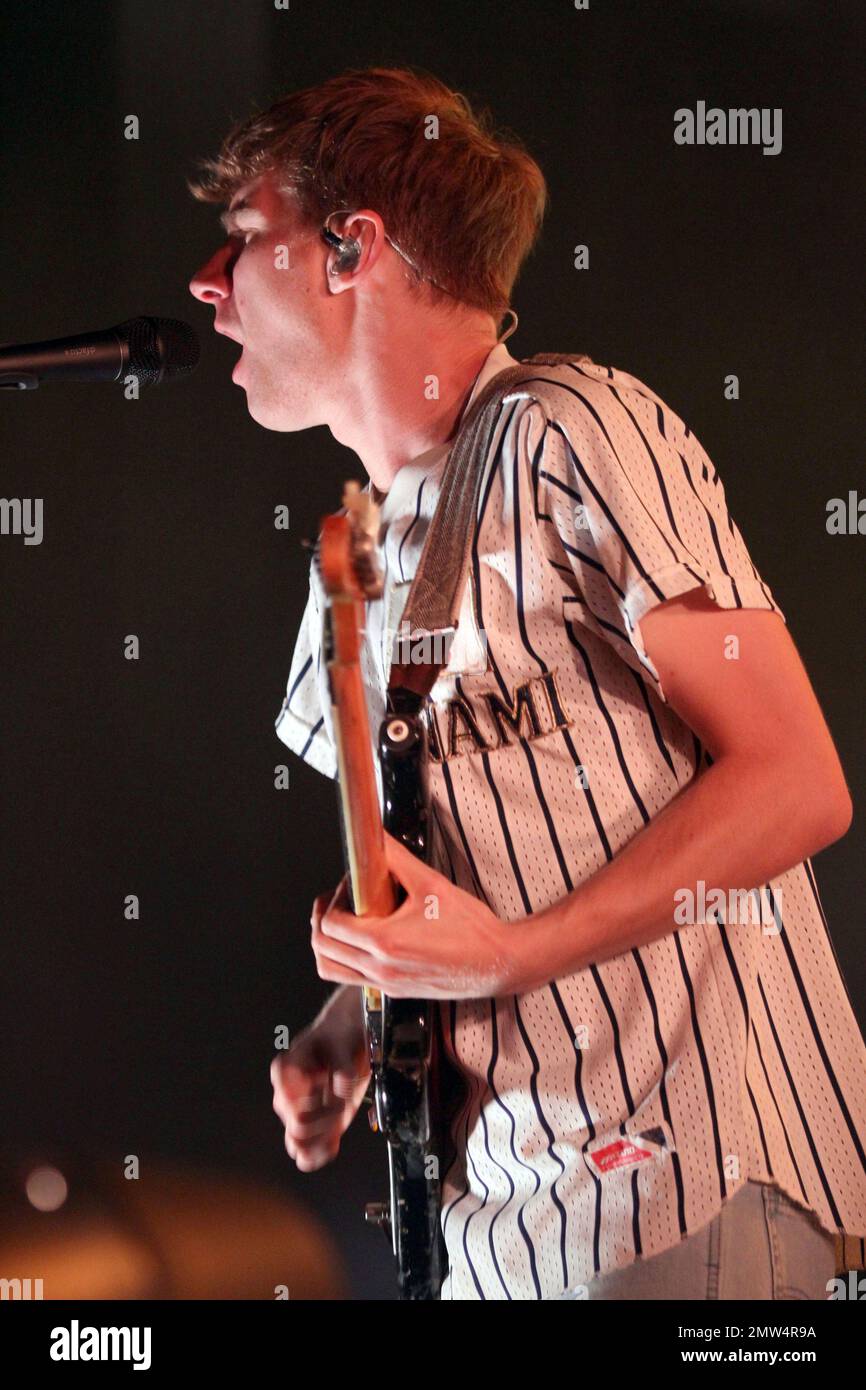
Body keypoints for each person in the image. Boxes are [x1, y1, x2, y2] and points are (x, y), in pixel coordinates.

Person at [188, 66, 866, 1300]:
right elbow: (465, 877)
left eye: (241, 239)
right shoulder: (360, 550)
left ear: (353, 248)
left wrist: (512, 955)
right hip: (499, 1240)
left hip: (687, 1203)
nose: (204, 282)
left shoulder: (568, 427)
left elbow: (797, 782)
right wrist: (360, 1016)